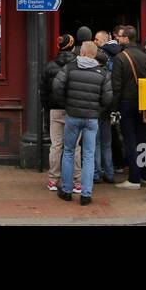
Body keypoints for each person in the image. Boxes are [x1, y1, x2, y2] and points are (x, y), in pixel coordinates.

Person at [52, 40, 113, 205]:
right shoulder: (103, 73)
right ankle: (86, 193)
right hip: (92, 118)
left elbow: (57, 86)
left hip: (72, 115)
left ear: (83, 52)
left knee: (69, 151)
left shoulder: (69, 68)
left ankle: (66, 190)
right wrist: (97, 110)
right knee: (88, 154)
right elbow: (108, 97)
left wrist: (66, 104)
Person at [111, 25, 146, 189]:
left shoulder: (120, 58)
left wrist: (114, 108)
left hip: (127, 103)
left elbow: (116, 86)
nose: (118, 39)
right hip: (144, 101)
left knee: (130, 139)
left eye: (120, 36)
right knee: (144, 139)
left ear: (126, 39)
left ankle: (134, 178)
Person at [44, 34, 82, 193]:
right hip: (73, 109)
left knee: (56, 145)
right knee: (75, 146)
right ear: (72, 46)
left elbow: (44, 91)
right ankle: (77, 181)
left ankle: (53, 180)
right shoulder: (78, 65)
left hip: (55, 110)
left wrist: (48, 108)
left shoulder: (50, 66)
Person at [93, 29, 120, 186]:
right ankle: (109, 173)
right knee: (107, 142)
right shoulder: (110, 72)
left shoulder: (96, 72)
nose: (95, 42)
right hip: (106, 110)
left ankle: (96, 173)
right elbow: (110, 94)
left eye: (97, 39)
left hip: (95, 111)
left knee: (95, 143)